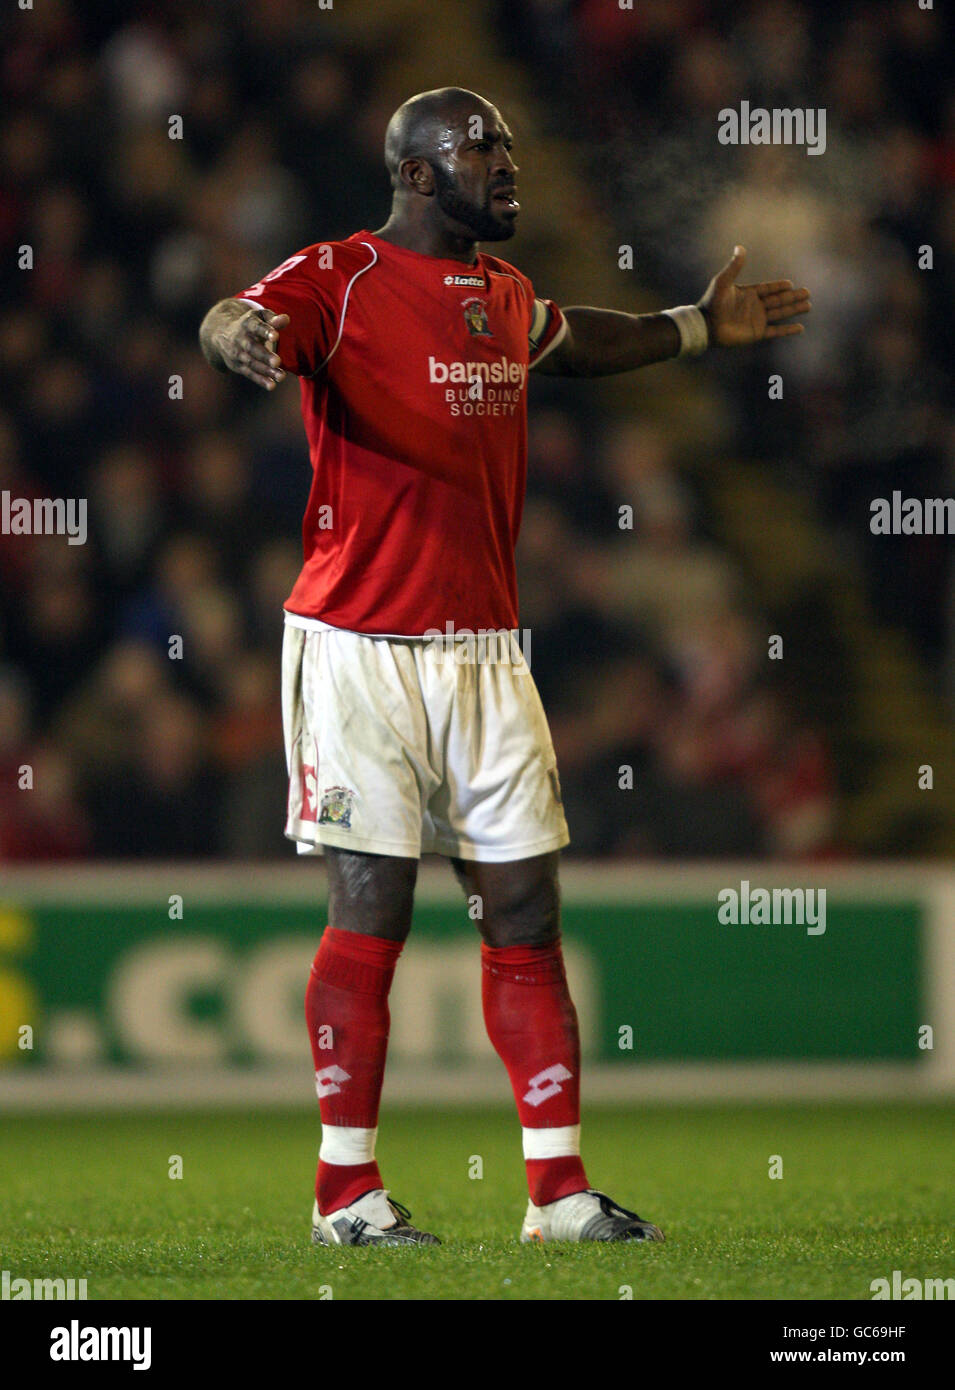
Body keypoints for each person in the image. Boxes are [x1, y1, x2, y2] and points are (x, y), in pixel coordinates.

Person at [199, 87, 810, 1247]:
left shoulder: (503, 294)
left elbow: (580, 342)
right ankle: (344, 1195)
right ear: (416, 174)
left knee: (523, 908)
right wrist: (235, 333)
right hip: (357, 645)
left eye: (510, 146)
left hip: (484, 649)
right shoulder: (343, 275)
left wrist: (695, 324)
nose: (506, 164)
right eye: (480, 148)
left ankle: (558, 1192)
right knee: (371, 899)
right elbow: (240, 312)